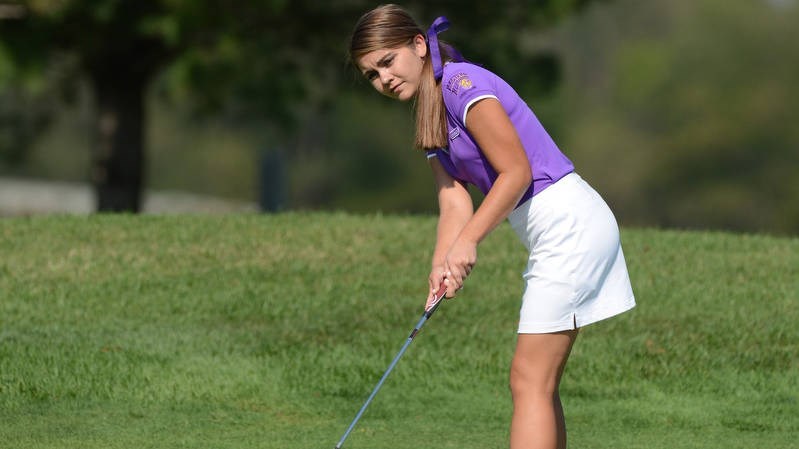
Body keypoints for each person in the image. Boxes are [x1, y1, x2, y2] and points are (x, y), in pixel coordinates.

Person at [348, 5, 635, 449]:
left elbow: (516, 172)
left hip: (568, 221)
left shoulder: (463, 85)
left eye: (387, 62)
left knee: (527, 379)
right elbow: (452, 197)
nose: (383, 79)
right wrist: (442, 264)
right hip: (553, 227)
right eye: (371, 74)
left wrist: (469, 242)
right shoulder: (430, 109)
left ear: (418, 46)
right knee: (537, 382)